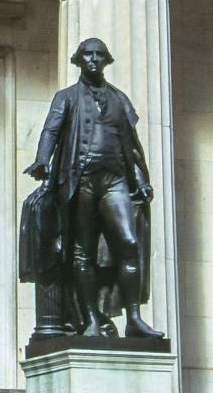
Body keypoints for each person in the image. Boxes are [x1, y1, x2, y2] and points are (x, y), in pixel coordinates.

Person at [22, 37, 163, 340]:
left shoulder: (119, 99)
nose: (94, 60)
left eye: (99, 55)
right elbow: (51, 131)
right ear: (78, 60)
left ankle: (134, 318)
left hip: (115, 179)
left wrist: (141, 179)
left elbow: (132, 146)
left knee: (129, 243)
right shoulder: (66, 97)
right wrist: (42, 160)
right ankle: (90, 320)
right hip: (81, 179)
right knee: (82, 250)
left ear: (107, 60)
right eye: (88, 55)